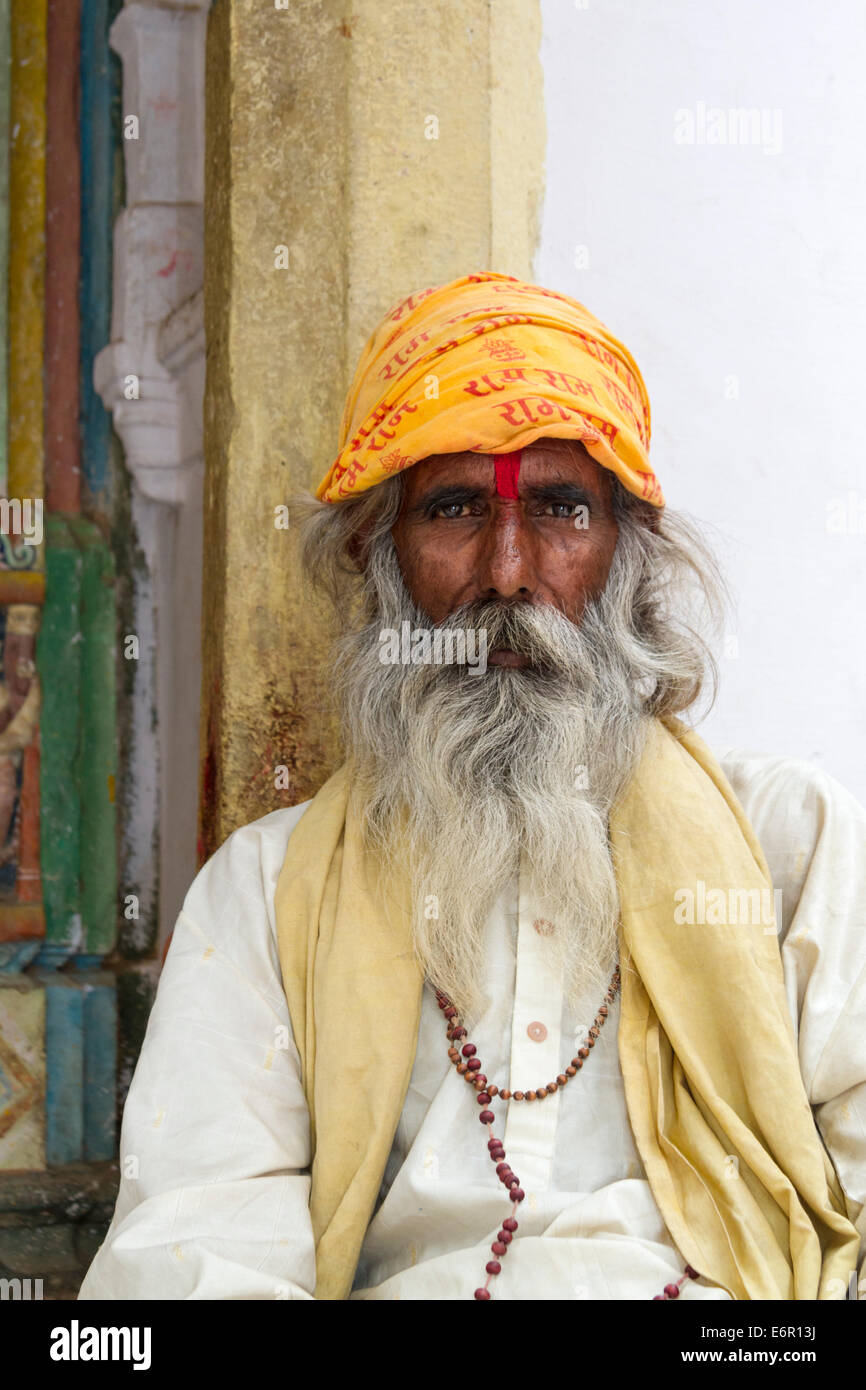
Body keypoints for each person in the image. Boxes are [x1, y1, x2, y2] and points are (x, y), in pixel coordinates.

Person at [79, 273, 866, 1301]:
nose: (506, 571)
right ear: (379, 555)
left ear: (626, 552)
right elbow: (188, 1252)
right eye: (452, 508)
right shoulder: (266, 894)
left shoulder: (787, 843)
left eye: (557, 510)